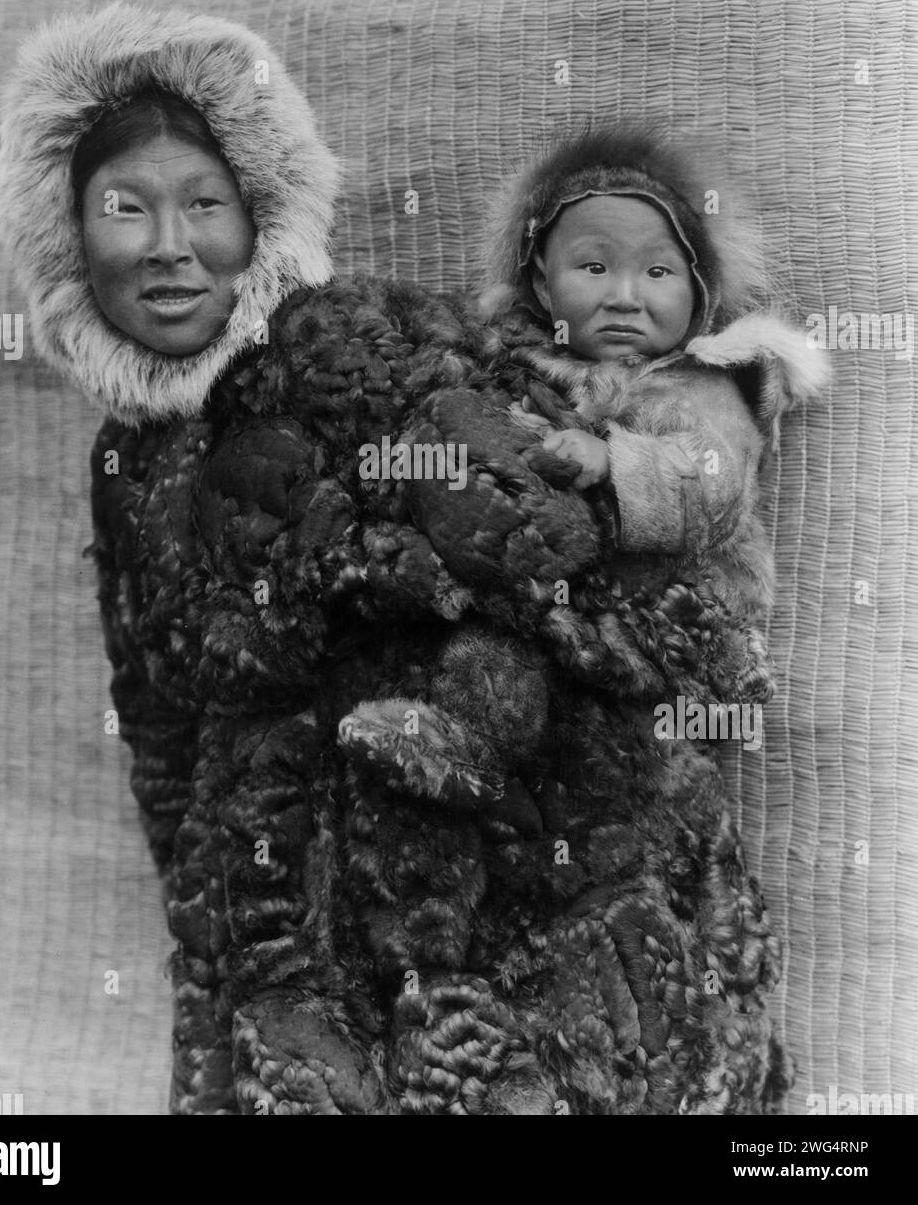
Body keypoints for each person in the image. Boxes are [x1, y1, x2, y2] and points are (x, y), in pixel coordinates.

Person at [336, 123, 829, 1113]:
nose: (623, 293)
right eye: (591, 265)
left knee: (621, 788)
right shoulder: (520, 377)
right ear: (537, 283)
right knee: (494, 651)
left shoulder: (699, 389)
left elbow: (711, 487)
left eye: (657, 270)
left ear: (700, 295)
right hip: (557, 629)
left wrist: (615, 465)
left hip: (667, 637)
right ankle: (465, 755)